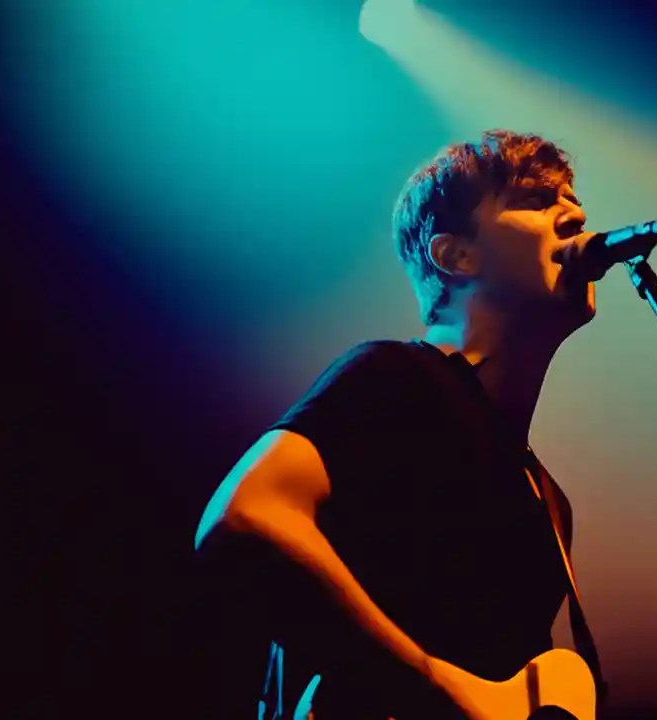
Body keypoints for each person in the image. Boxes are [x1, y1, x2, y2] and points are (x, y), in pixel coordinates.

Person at [192, 129, 603, 719]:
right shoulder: (396, 378)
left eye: (572, 198)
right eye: (539, 200)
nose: (577, 214)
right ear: (456, 255)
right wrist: (435, 687)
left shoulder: (547, 500)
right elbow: (244, 516)